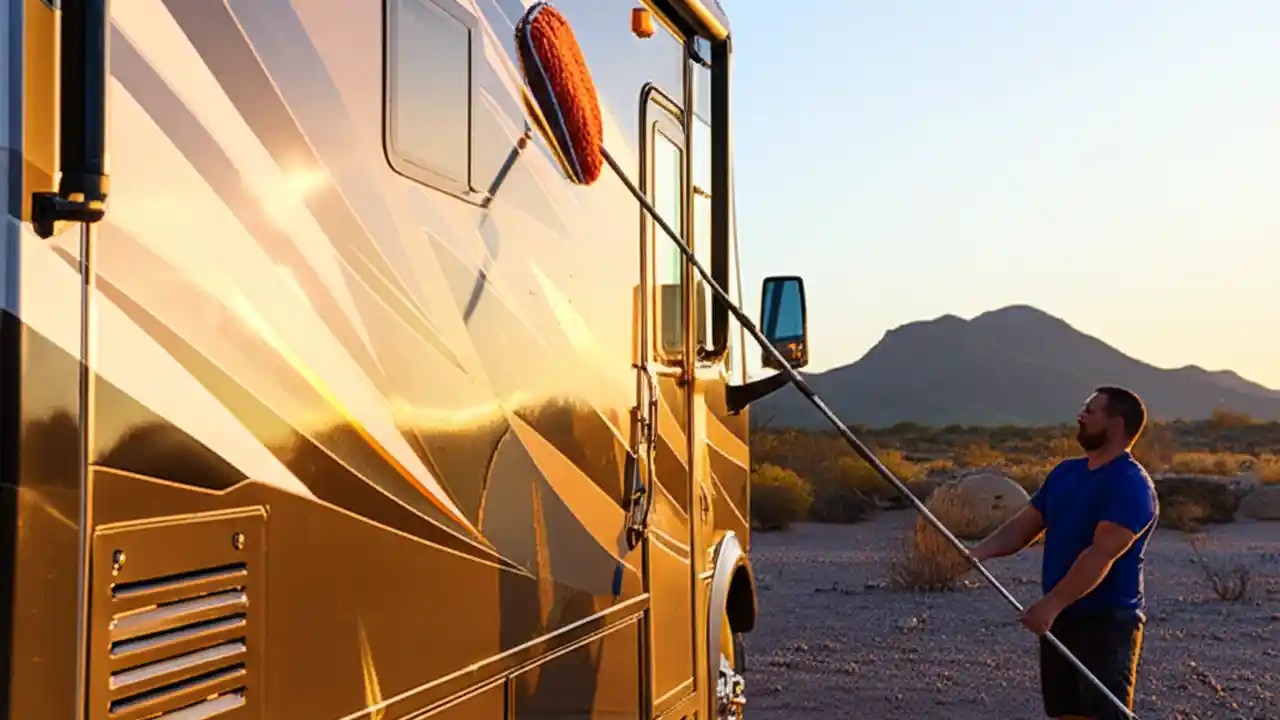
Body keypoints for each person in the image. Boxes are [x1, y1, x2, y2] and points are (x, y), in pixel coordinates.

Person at [970, 386, 1159, 720]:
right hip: (1062, 619)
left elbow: (1101, 555)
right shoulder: (1065, 474)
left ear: (1116, 424)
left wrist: (1051, 604)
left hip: (1107, 622)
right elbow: (1024, 526)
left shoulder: (1131, 485)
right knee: (1065, 713)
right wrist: (977, 553)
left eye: (1090, 411)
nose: (1080, 416)